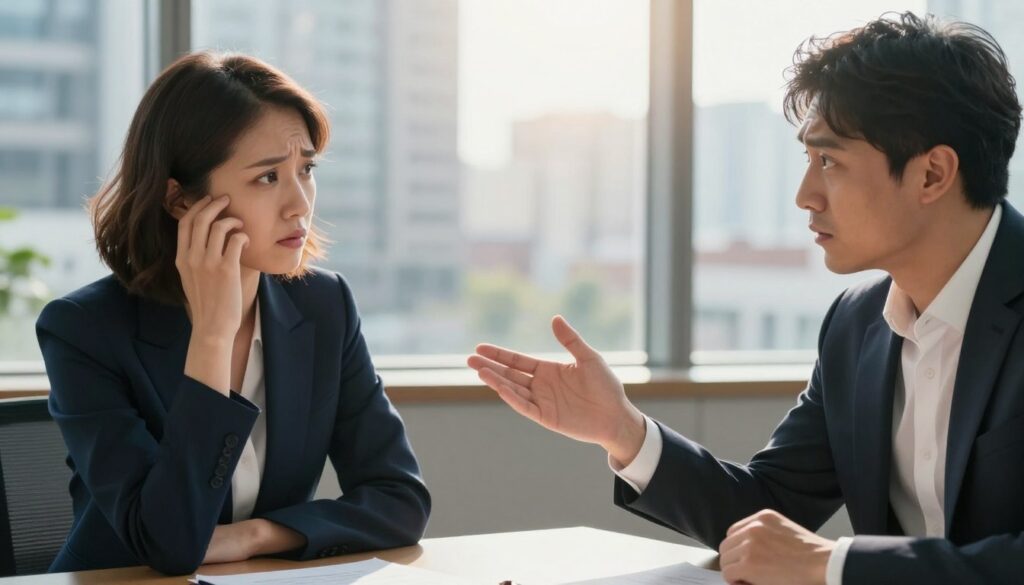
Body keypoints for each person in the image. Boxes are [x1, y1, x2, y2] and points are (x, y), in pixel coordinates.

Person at [468, 12, 1024, 585]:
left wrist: (833, 563)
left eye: (829, 161)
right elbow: (769, 508)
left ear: (932, 175)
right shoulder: (856, 324)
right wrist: (624, 430)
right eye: (808, 160)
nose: (805, 195)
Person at [36, 52, 430, 575]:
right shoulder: (83, 330)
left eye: (306, 169)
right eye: (267, 177)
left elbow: (400, 500)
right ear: (180, 200)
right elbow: (169, 544)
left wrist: (256, 535)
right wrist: (213, 338)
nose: (300, 204)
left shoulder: (324, 306)